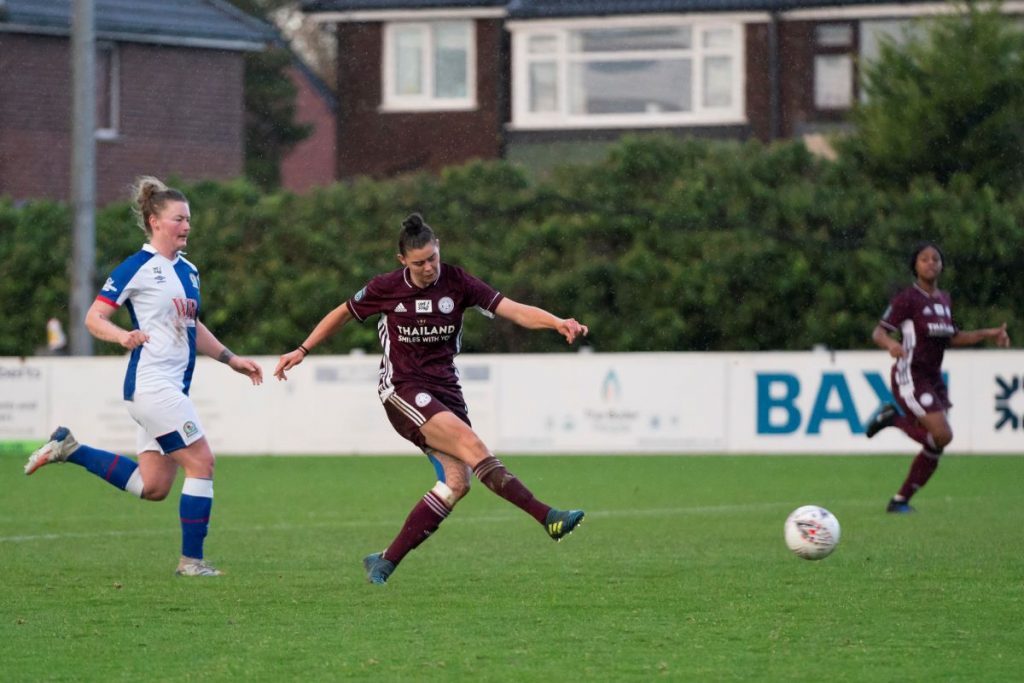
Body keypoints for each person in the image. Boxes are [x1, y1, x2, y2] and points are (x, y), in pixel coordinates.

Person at [274, 213, 588, 585]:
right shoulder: (386, 287)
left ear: (439, 250)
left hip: (445, 390)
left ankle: (384, 561)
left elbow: (514, 310)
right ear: (402, 261)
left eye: (432, 259)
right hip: (402, 389)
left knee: (457, 482)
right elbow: (342, 313)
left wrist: (556, 322)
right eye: (419, 262)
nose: (428, 268)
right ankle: (546, 516)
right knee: (472, 445)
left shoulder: (458, 282)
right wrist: (303, 349)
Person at [24, 176, 263, 576]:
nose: (185, 226)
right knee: (202, 462)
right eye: (177, 219)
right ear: (154, 221)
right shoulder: (137, 267)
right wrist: (122, 335)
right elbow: (94, 317)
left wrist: (230, 358)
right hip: (152, 388)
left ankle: (70, 449)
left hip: (169, 388)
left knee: (153, 487)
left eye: (188, 219)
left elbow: (192, 325)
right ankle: (192, 562)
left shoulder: (189, 271)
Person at [864, 241, 1010, 513]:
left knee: (938, 441)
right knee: (942, 434)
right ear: (915, 266)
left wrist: (989, 333)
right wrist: (891, 345)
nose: (931, 263)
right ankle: (894, 419)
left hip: (933, 377)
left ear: (941, 265)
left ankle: (900, 501)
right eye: (924, 259)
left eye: (935, 259)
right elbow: (879, 332)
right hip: (911, 374)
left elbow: (953, 338)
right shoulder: (907, 299)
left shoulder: (944, 300)